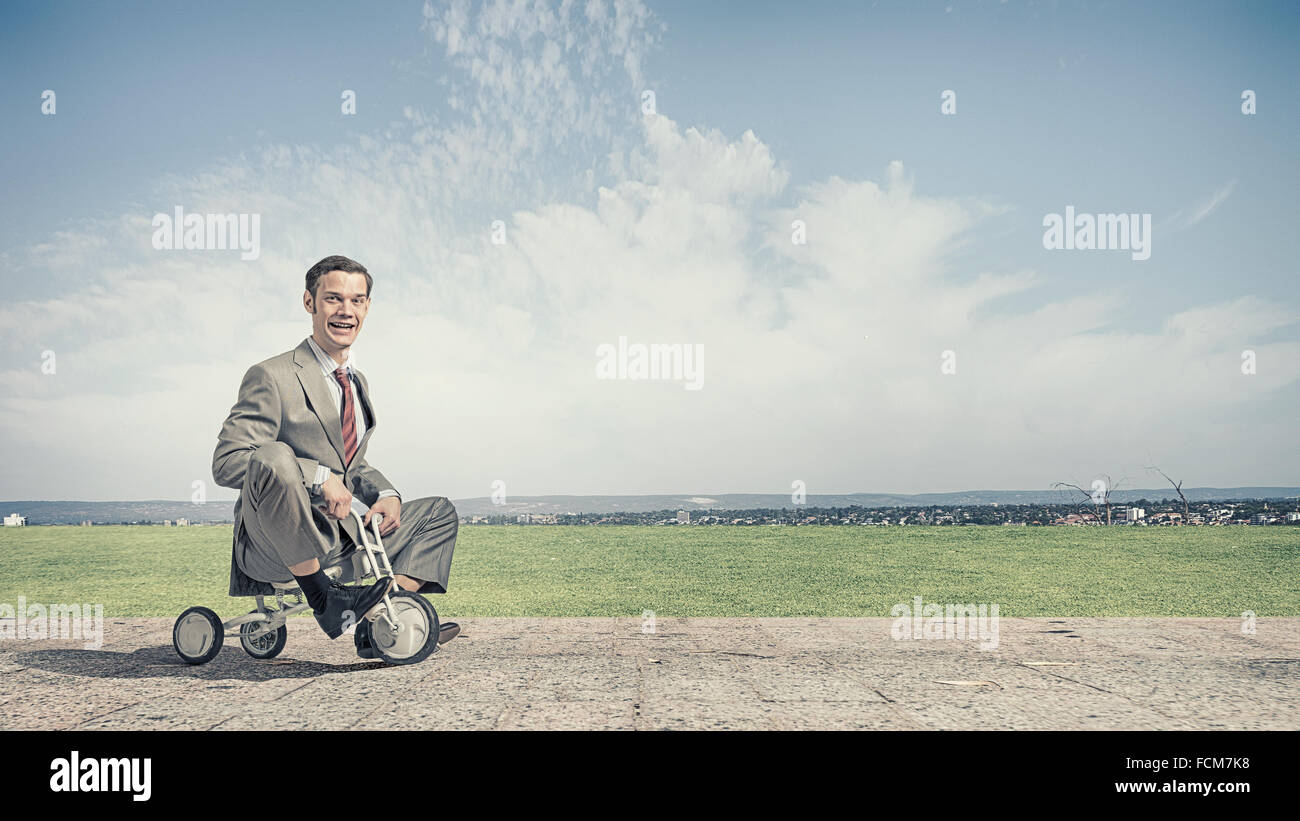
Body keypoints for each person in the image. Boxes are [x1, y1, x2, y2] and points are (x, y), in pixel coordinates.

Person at [212, 255, 459, 656]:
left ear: (367, 308)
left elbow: (351, 464)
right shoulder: (271, 376)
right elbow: (230, 461)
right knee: (274, 454)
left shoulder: (356, 382)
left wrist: (386, 493)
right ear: (309, 302)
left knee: (439, 512)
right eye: (333, 299)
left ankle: (377, 622)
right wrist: (316, 474)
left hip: (340, 535)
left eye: (357, 300)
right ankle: (325, 600)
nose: (346, 311)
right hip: (277, 546)